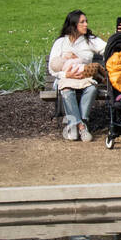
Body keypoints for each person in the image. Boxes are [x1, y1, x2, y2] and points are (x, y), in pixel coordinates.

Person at [48, 10, 108, 142]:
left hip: (84, 77)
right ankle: (81, 126)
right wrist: (66, 73)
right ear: (73, 25)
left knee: (92, 89)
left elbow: (108, 48)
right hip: (66, 78)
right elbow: (52, 67)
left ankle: (74, 124)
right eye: (82, 22)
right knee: (67, 90)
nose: (86, 24)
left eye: (86, 21)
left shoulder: (90, 40)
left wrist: (119, 35)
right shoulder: (61, 42)